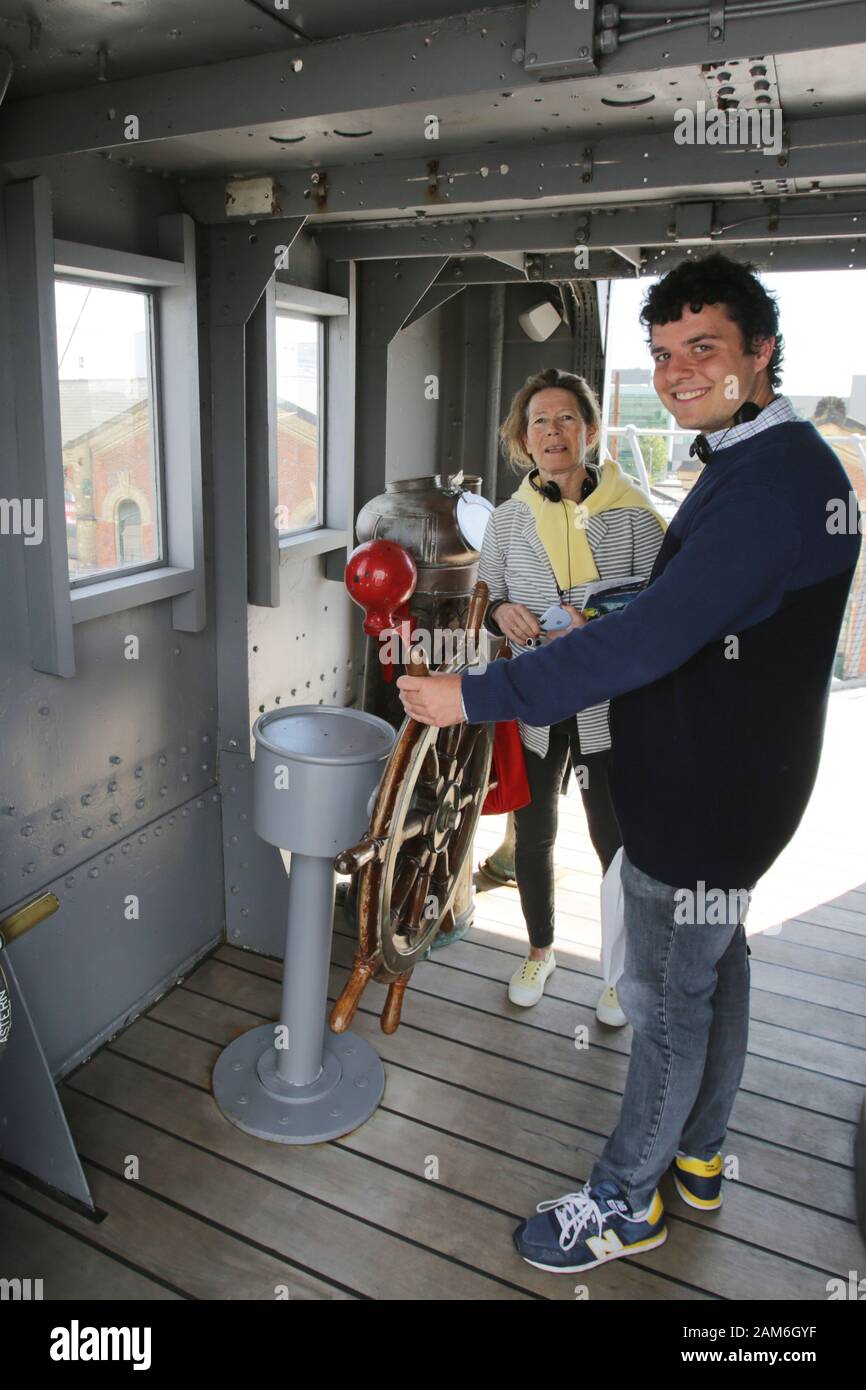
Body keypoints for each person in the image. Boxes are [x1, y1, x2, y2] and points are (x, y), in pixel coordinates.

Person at [397, 252, 861, 1274]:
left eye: (703, 348)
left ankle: (624, 1200)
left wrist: (471, 693)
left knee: (657, 1002)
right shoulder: (758, 462)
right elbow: (679, 611)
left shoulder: (769, 486)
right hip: (742, 782)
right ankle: (697, 1159)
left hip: (701, 793)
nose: (677, 373)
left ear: (760, 353)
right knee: (711, 967)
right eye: (660, 354)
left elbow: (655, 643)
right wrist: (617, 611)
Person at [476, 368, 666, 1017]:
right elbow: (490, 591)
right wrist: (502, 612)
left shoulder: (637, 518)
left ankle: (618, 970)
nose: (552, 432)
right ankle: (540, 948)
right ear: (523, 440)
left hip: (608, 707)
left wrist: (600, 622)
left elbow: (664, 607)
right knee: (534, 831)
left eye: (565, 419)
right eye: (539, 422)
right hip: (536, 700)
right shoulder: (506, 521)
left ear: (588, 429)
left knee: (613, 836)